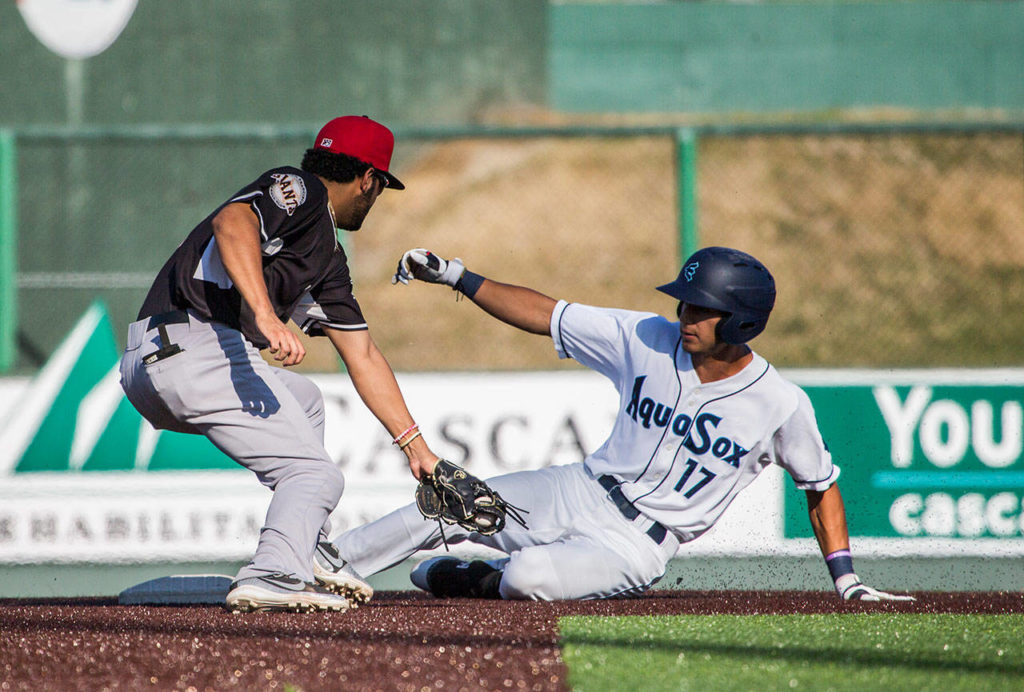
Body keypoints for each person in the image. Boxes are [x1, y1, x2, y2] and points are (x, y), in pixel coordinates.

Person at [324, 246, 915, 602]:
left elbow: (820, 484)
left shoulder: (779, 404)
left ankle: (482, 578)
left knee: (528, 577)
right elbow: (545, 313)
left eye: (703, 308)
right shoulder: (647, 337)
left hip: (636, 545)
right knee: (448, 501)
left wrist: (846, 579)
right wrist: (458, 276)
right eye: (684, 302)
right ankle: (318, 567)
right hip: (579, 487)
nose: (685, 315)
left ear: (741, 323)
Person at [119, 116, 441, 612]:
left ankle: (307, 546)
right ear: (367, 179)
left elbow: (362, 354)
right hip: (194, 345)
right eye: (380, 186)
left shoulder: (327, 256)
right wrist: (267, 316)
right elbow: (233, 222)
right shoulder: (303, 190)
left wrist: (418, 450)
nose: (376, 197)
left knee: (306, 400)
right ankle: (273, 572)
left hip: (159, 359)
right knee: (316, 475)